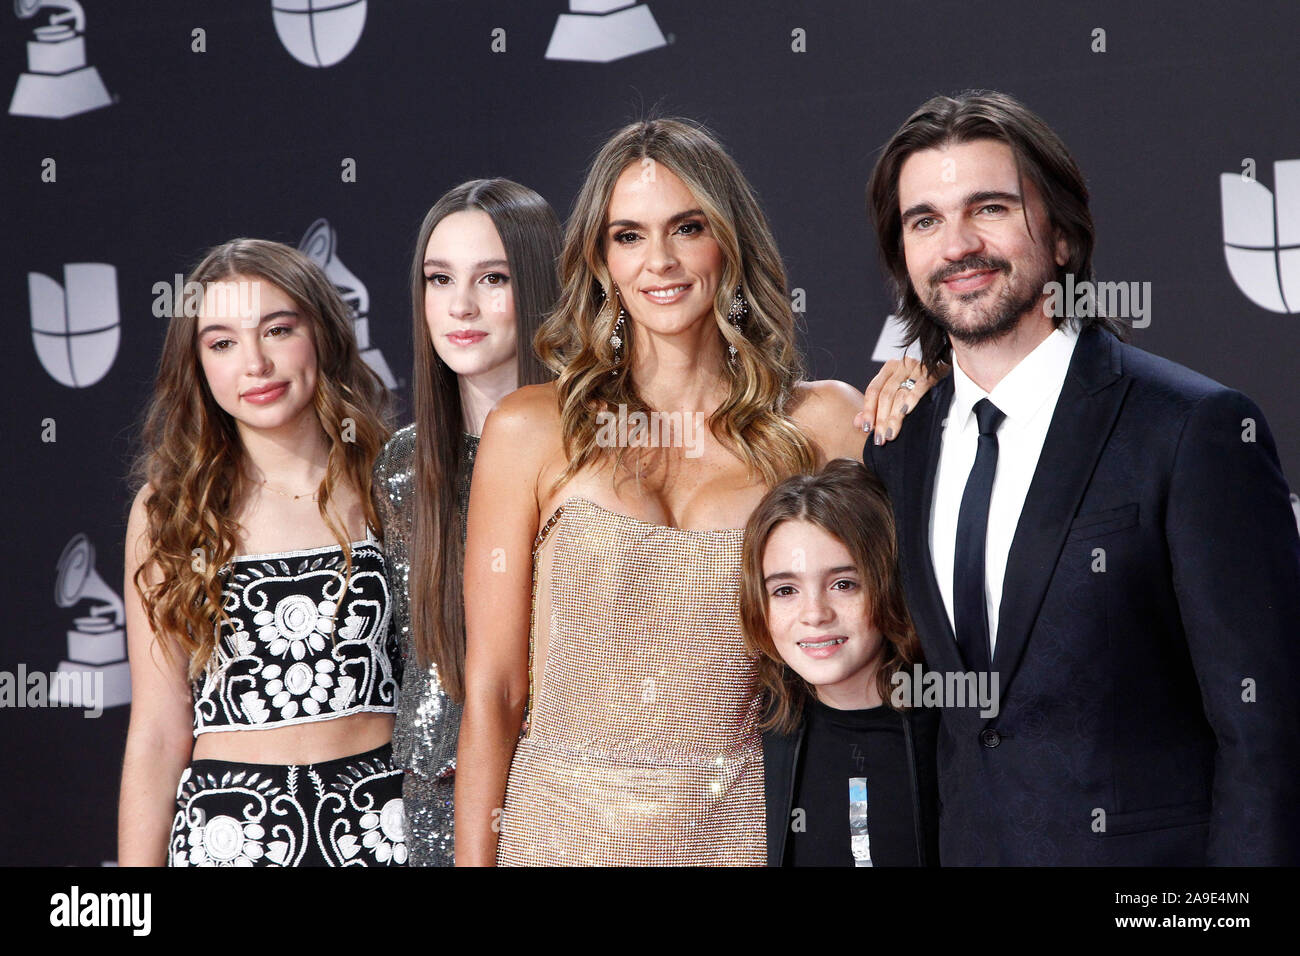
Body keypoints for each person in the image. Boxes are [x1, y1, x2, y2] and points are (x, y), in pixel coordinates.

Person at [454, 117, 935, 866]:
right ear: (601, 258)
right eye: (629, 236)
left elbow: (915, 620)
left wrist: (924, 394)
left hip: (741, 833)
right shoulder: (531, 431)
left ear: (730, 241)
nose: (661, 261)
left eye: (688, 227)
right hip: (557, 836)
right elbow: (493, 692)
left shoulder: (824, 425)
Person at [862, 90, 1300, 864]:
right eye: (924, 220)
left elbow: (1265, 728)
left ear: (1061, 235)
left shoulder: (1190, 428)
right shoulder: (899, 449)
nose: (957, 243)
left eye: (989, 208)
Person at [118, 239, 405, 866]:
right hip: (228, 834)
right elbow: (159, 732)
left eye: (277, 330)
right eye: (222, 343)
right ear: (196, 365)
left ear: (322, 334)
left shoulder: (397, 482)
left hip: (384, 824)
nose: (255, 363)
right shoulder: (169, 510)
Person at [374, 179, 561, 866]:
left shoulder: (596, 448)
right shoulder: (400, 465)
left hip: (563, 791)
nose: (460, 306)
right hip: (432, 803)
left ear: (540, 283)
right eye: (439, 278)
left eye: (492, 278)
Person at [739, 458, 939, 867]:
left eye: (843, 584)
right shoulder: (760, 729)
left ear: (888, 585)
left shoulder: (954, 729)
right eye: (785, 590)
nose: (815, 614)